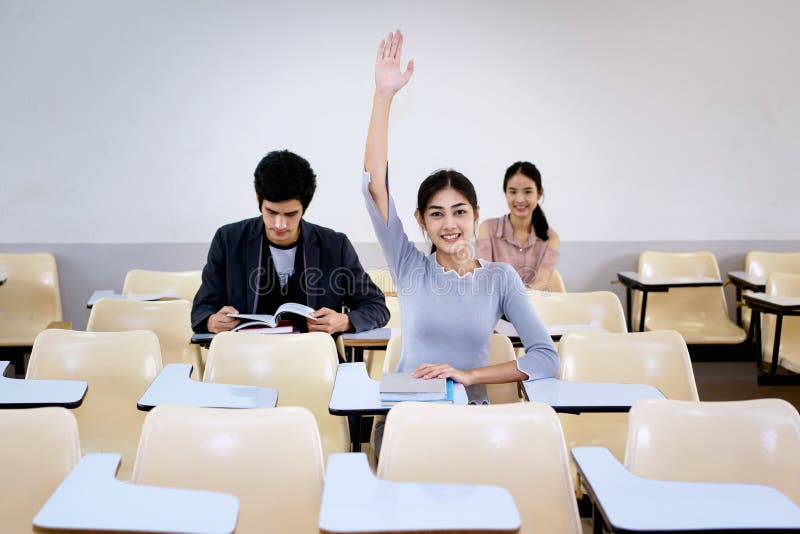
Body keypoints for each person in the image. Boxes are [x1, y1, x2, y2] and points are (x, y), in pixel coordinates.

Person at [363, 30, 558, 404]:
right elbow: (375, 187)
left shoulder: (500, 279)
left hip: (470, 416)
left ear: (476, 215)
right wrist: (383, 97)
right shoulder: (408, 265)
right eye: (437, 214)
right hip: (408, 412)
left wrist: (468, 376)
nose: (449, 224)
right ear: (420, 220)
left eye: (459, 212)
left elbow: (546, 358)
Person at [192, 149, 390, 335]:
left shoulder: (335, 245)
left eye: (290, 214)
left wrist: (344, 321)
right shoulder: (228, 240)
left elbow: (377, 307)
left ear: (305, 207)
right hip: (245, 359)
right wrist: (211, 321)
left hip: (314, 362)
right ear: (258, 200)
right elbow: (202, 309)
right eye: (271, 212)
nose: (280, 224)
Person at [476, 161, 560, 291]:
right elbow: (485, 278)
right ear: (506, 193)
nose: (520, 199)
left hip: (535, 305)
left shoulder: (551, 237)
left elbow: (541, 282)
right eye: (513, 192)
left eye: (527, 192)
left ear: (539, 193)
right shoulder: (487, 228)